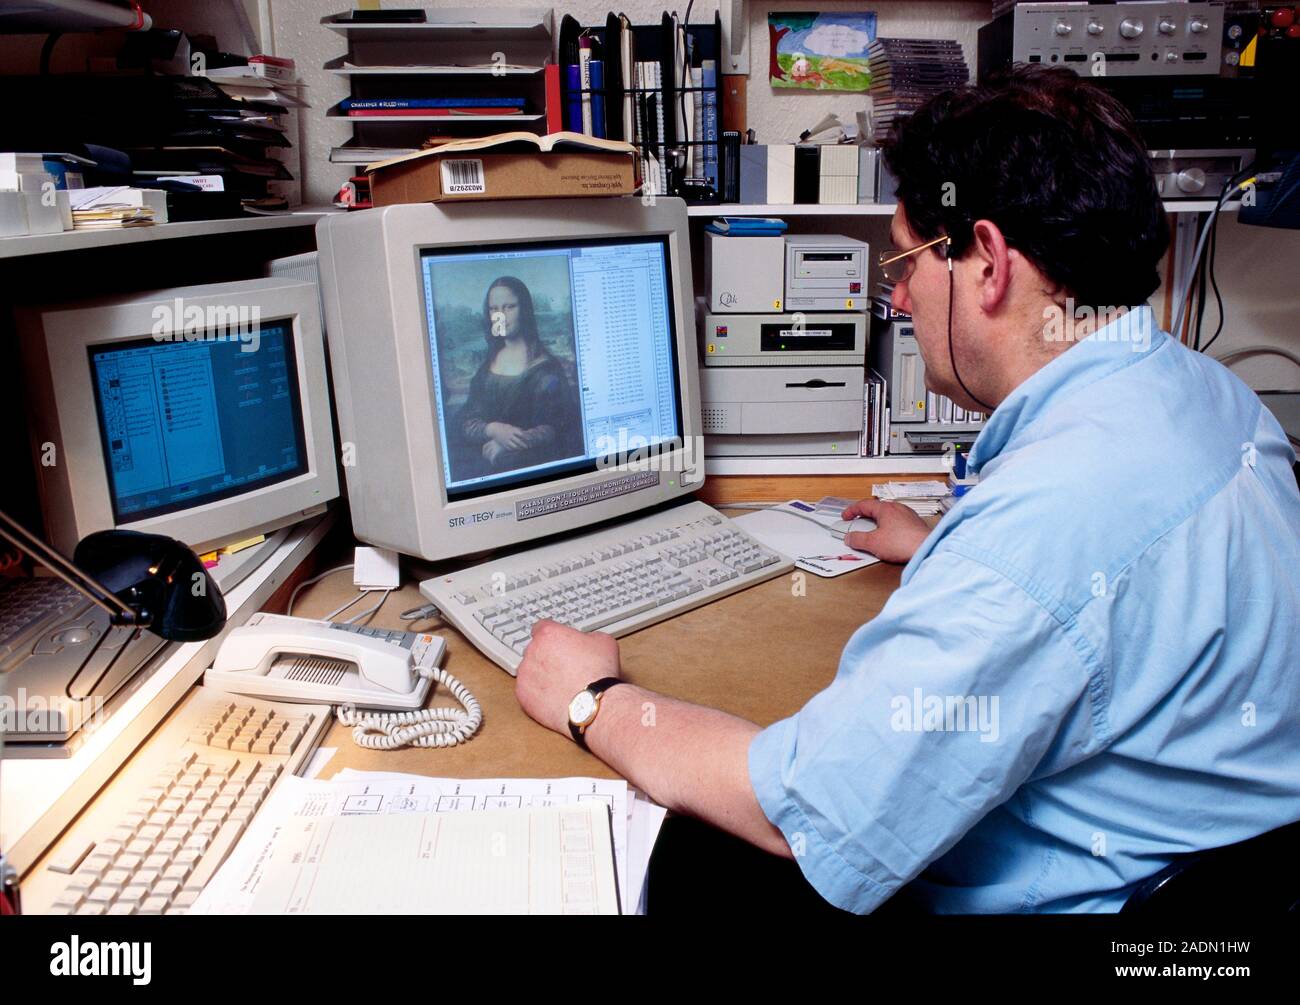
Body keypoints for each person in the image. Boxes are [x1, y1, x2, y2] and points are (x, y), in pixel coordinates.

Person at [512, 65, 1300, 913]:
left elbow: (806, 808)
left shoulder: (1036, 540)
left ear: (988, 263)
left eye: (910, 259)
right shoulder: (1210, 394)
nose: (897, 291)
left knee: (688, 846)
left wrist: (595, 701)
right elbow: (1114, 584)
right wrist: (943, 547)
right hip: (1215, 898)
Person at [455, 276, 581, 478]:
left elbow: (558, 427)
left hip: (533, 470)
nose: (500, 316)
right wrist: (493, 429)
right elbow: (465, 420)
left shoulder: (546, 368)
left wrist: (510, 443)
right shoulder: (486, 369)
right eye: (494, 309)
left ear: (525, 310)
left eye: (509, 307)